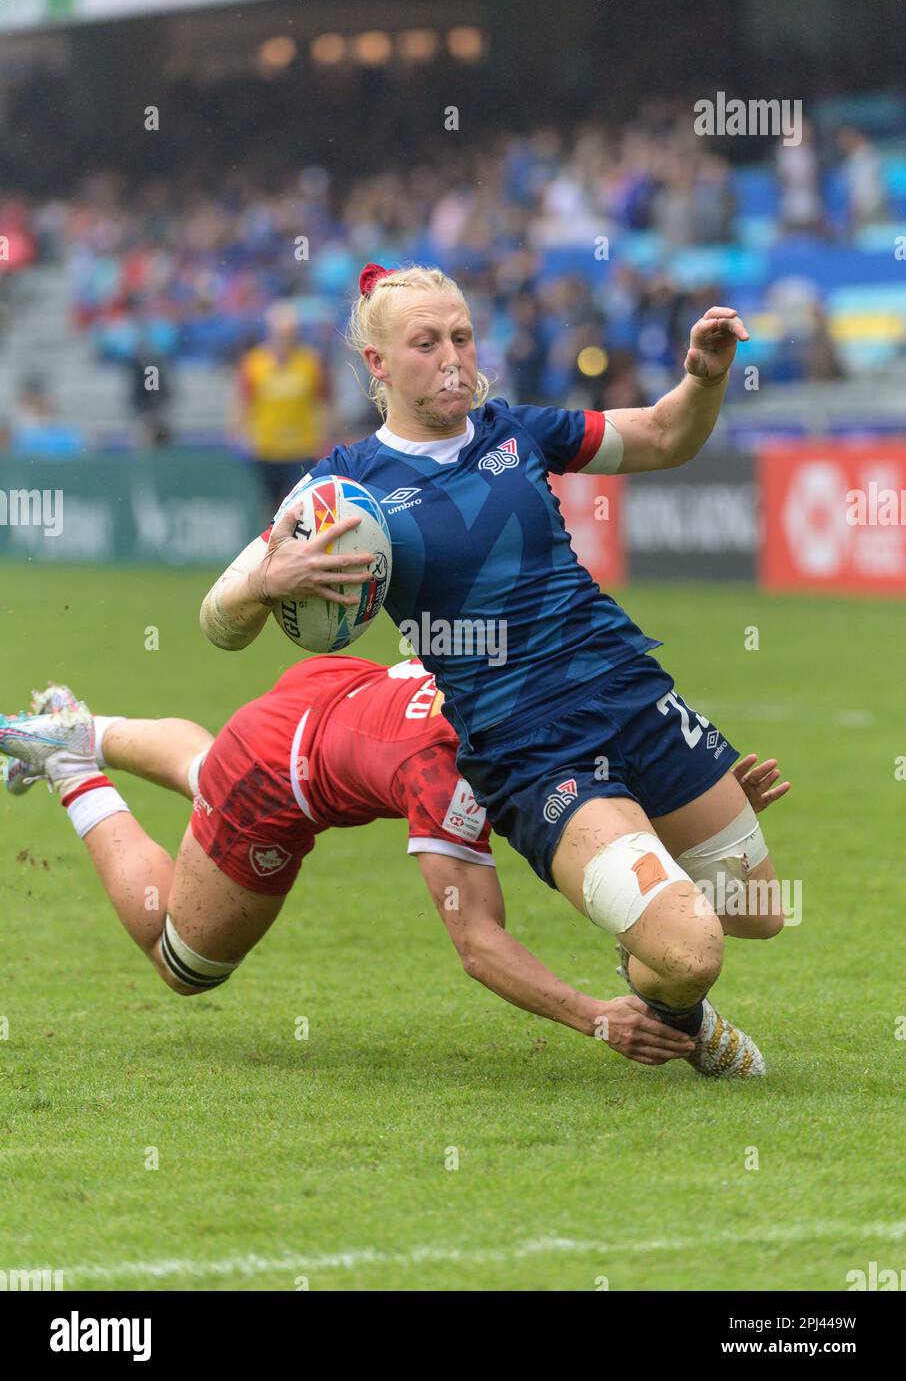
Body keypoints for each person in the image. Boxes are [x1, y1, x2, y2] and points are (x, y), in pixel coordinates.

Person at [200, 262, 786, 1076]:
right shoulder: (341, 491)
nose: (451, 357)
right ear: (377, 365)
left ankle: (645, 924)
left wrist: (704, 379)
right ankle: (673, 993)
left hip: (629, 693)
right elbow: (218, 620)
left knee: (758, 909)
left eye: (463, 337)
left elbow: (663, 435)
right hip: (529, 748)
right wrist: (268, 580)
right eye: (426, 342)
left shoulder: (518, 432)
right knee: (692, 951)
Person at [0, 669, 786, 1072]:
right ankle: (75, 767)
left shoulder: (511, 684)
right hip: (274, 781)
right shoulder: (446, 776)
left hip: (323, 698)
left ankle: (88, 728)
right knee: (183, 959)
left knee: (214, 761)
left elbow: (597, 795)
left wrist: (694, 814)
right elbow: (477, 942)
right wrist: (595, 1015)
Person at [232, 300, 331, 512]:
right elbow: (242, 404)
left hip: (301, 449)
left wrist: (324, 436)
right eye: (280, 332)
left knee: (299, 510)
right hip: (266, 450)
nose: (285, 338)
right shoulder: (254, 363)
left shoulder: (310, 362)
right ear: (270, 332)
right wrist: (240, 436)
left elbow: (325, 402)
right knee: (268, 510)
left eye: (290, 332)